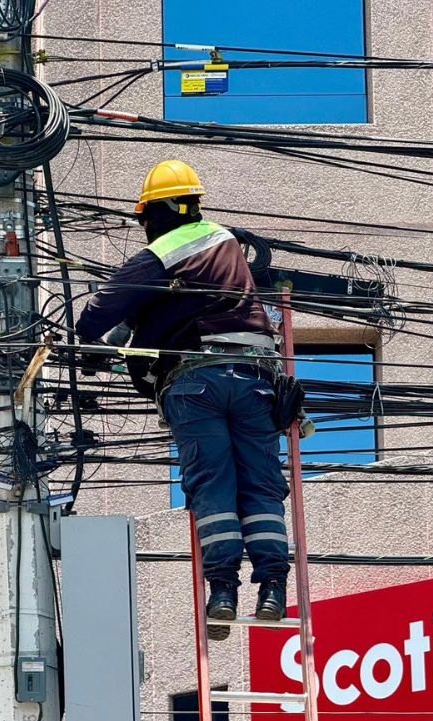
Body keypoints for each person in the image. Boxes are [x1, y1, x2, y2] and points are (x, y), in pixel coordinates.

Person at [74, 160, 290, 639]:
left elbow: (106, 305)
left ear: (167, 209)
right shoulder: (224, 249)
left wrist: (84, 338)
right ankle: (274, 587)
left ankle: (223, 592)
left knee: (213, 485)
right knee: (261, 488)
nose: (145, 227)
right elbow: (153, 312)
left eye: (146, 216)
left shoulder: (174, 245)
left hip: (198, 383)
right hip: (257, 380)